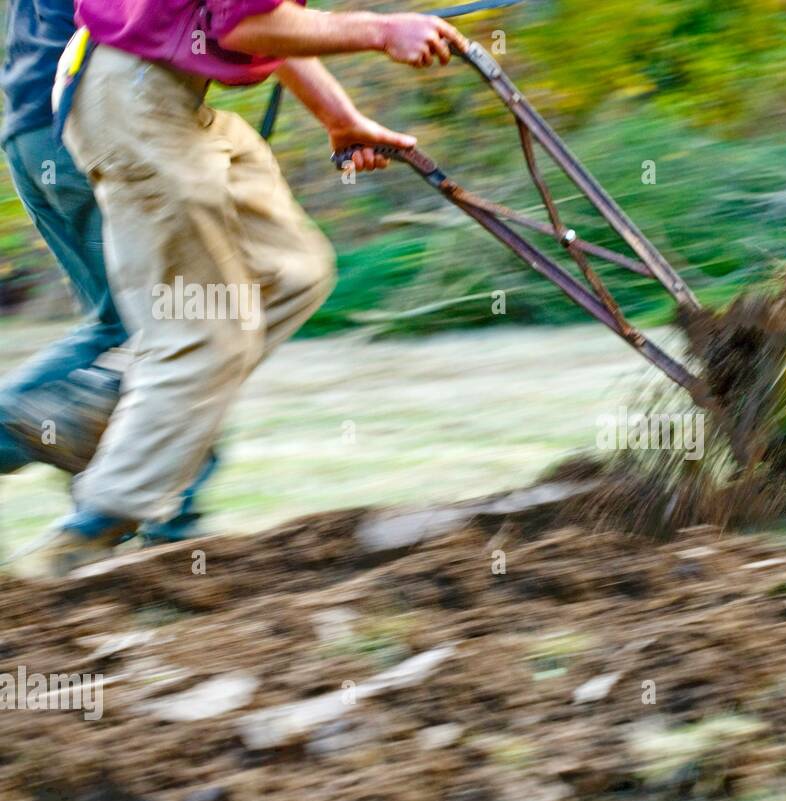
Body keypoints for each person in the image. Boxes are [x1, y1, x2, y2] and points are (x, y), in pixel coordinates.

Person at [21, 1, 465, 576]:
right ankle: (90, 527)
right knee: (209, 326)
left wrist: (339, 117)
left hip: (160, 96)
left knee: (293, 269)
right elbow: (246, 24)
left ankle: (117, 400)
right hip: (131, 97)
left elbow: (261, 16)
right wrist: (383, 31)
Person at [0, 0, 213, 546]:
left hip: (31, 135)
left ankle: (135, 513)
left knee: (122, 324)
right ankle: (165, 518)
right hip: (84, 127)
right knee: (181, 324)